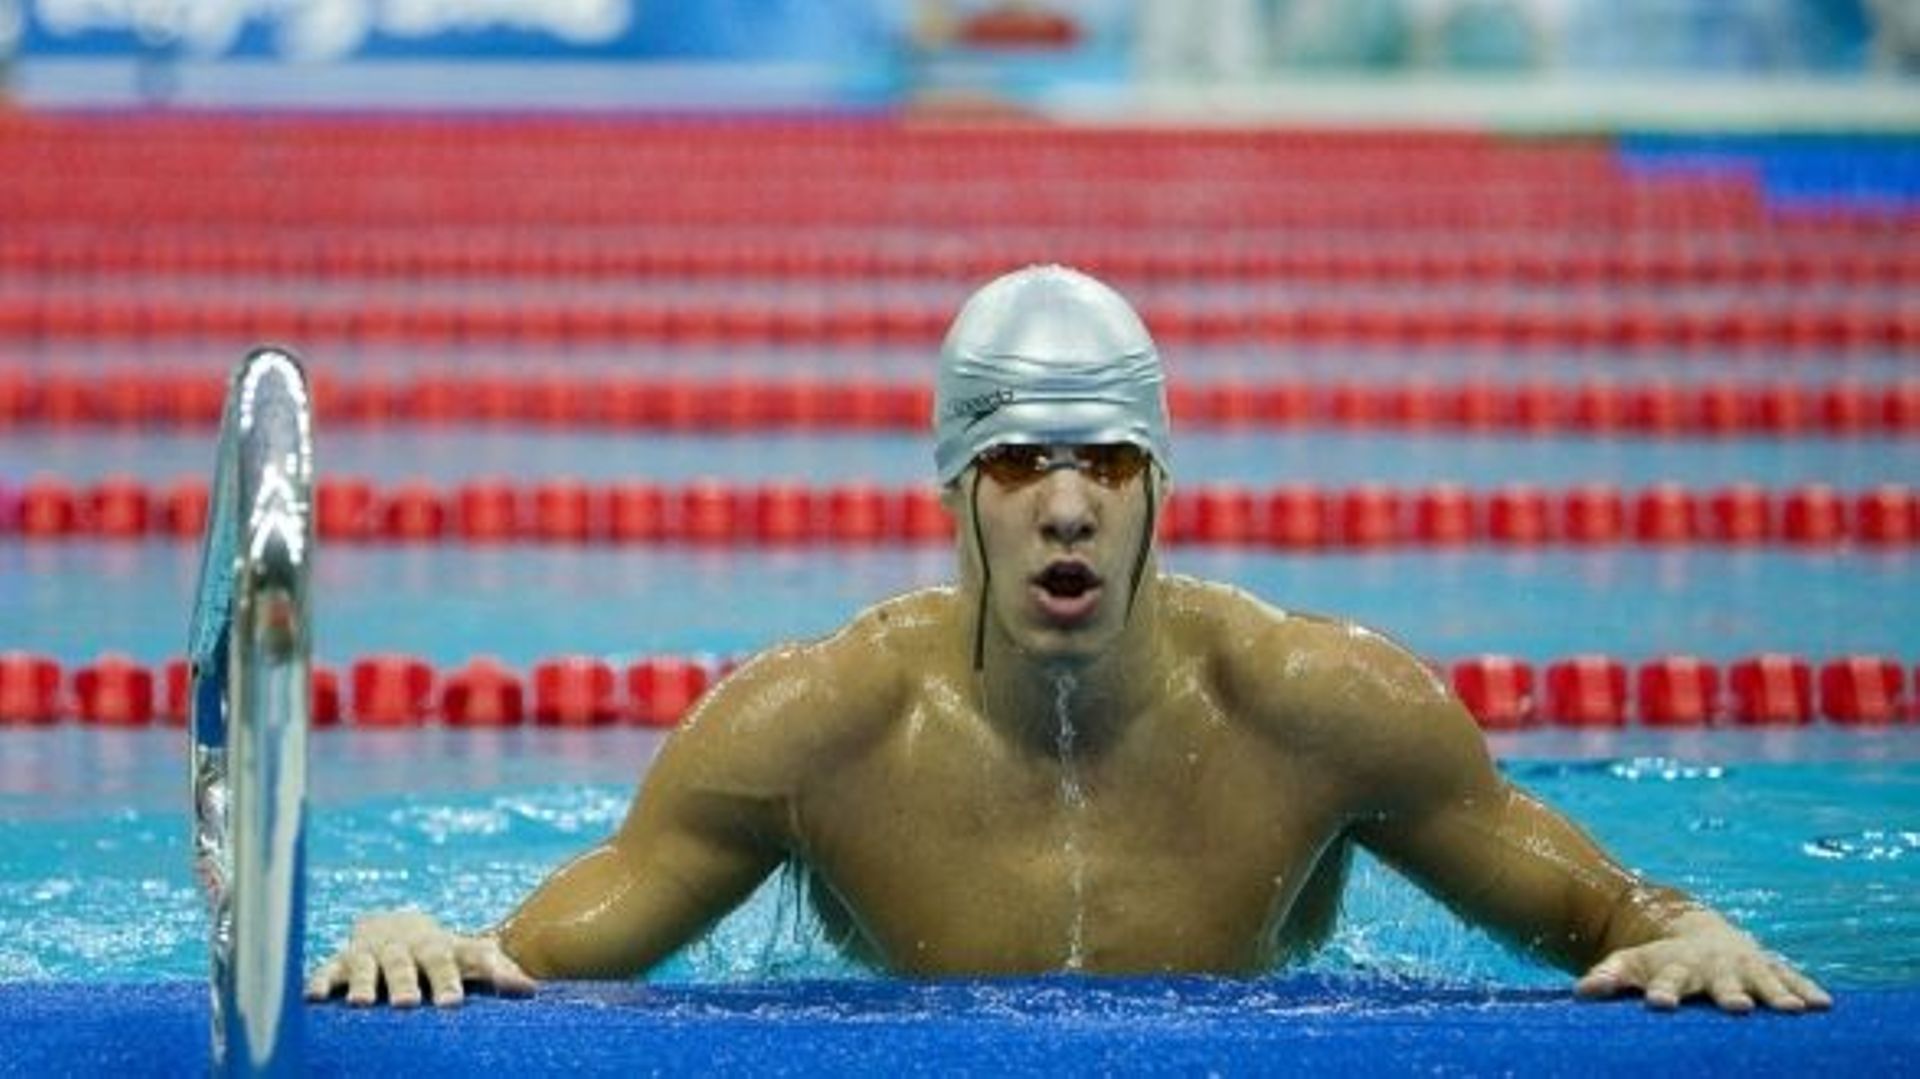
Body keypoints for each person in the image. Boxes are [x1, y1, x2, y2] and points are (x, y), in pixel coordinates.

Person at [308, 265, 1830, 1014]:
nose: (1065, 508)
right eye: (1022, 466)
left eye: (1105, 465)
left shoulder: (1321, 711)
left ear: (1159, 485)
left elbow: (1607, 909)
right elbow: (537, 956)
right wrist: (425, 943)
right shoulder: (810, 733)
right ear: (957, 491)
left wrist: (1683, 932)